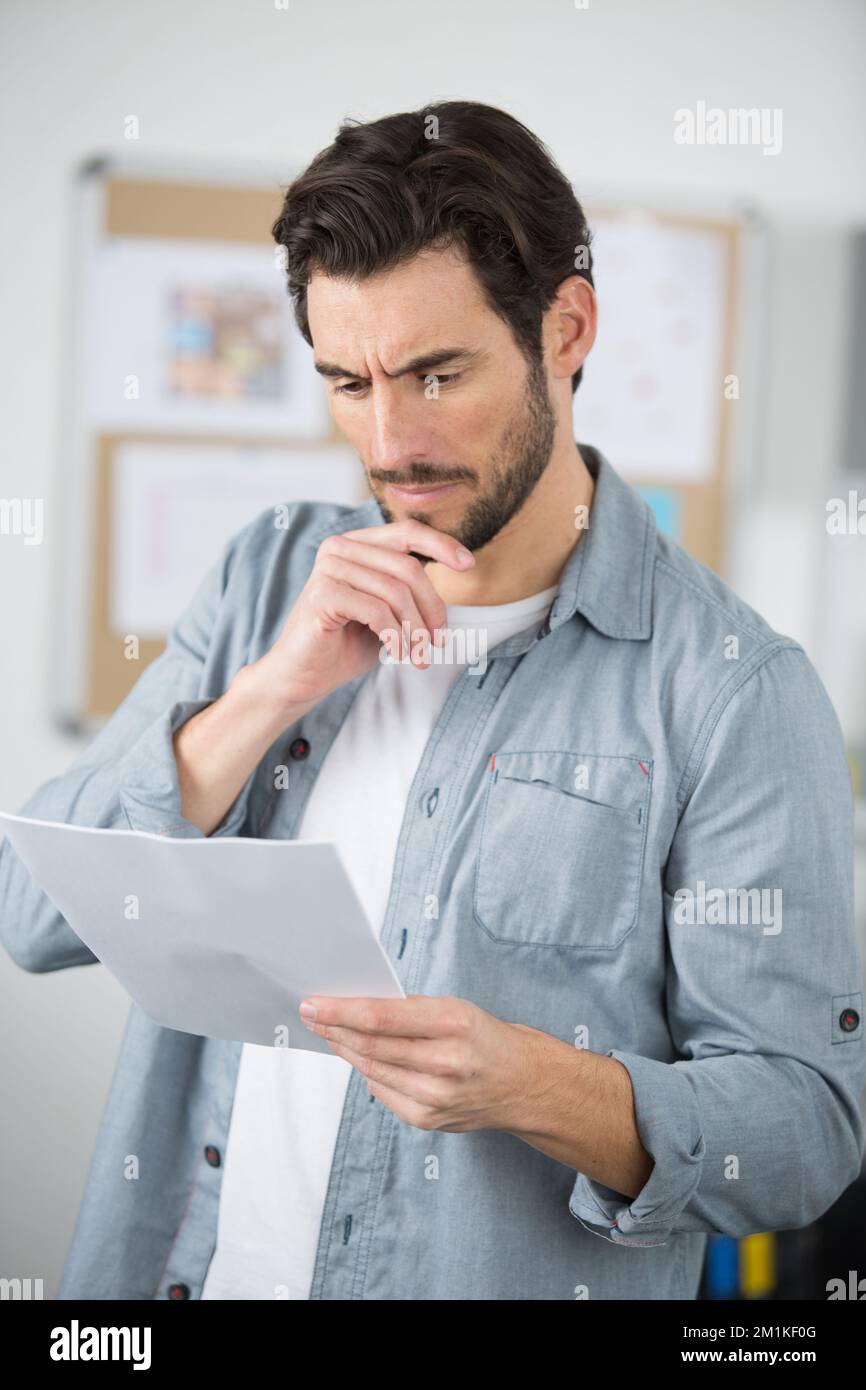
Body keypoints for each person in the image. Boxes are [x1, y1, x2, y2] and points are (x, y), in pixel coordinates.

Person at [1, 100, 864, 1302]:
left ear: (566, 327)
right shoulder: (267, 577)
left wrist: (532, 1082)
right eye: (346, 383)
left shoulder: (731, 691)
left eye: (435, 373)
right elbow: (30, 916)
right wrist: (272, 684)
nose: (388, 441)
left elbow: (803, 1131)